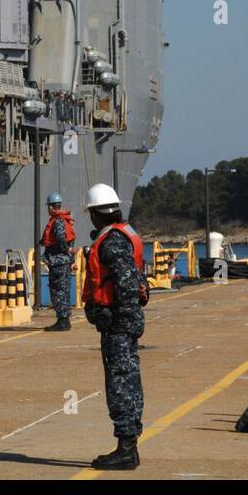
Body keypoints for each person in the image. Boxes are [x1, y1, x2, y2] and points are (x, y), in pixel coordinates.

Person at [81, 183, 149, 471]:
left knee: (120, 383)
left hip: (118, 326)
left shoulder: (111, 243)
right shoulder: (122, 236)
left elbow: (123, 281)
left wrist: (117, 317)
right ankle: (128, 444)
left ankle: (125, 448)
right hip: (125, 323)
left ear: (97, 214)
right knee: (129, 381)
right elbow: (137, 281)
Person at [41, 191, 76, 331]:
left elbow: (61, 238)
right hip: (64, 261)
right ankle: (65, 320)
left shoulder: (57, 221)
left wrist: (62, 249)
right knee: (65, 289)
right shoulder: (65, 219)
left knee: (58, 290)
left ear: (50, 207)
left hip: (58, 261)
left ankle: (62, 320)